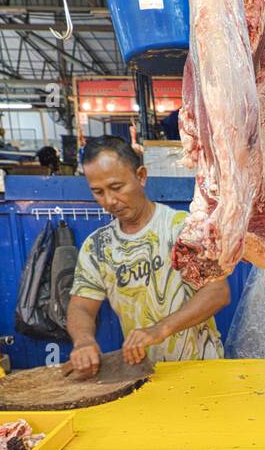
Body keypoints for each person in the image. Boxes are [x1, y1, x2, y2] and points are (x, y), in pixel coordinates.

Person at [65, 136, 228, 376]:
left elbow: (217, 293)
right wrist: (83, 341)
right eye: (98, 192)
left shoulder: (183, 229)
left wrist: (160, 329)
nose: (109, 201)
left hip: (201, 368)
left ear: (141, 176)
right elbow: (81, 307)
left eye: (116, 187)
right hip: (143, 374)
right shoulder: (97, 246)